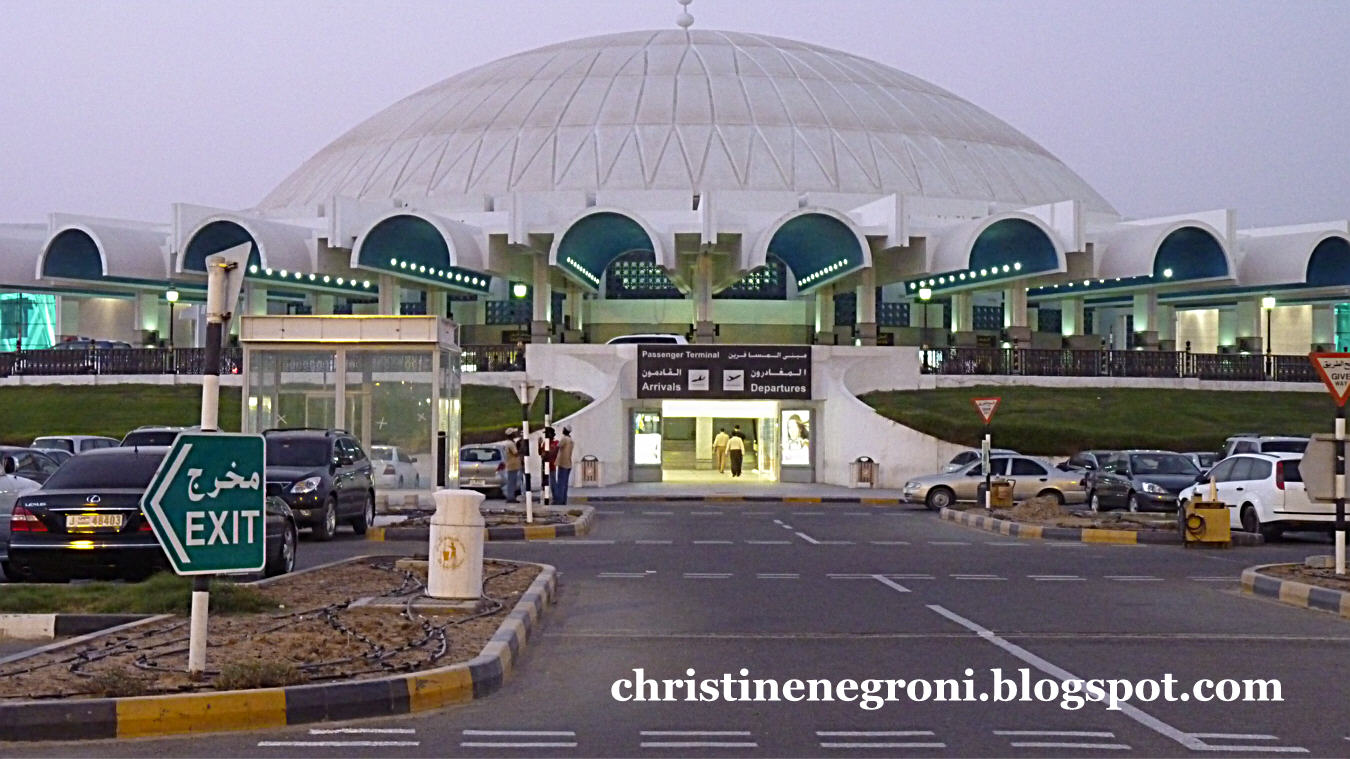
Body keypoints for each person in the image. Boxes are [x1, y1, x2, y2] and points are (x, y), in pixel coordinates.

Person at [554, 426, 575, 505]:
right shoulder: (571, 440)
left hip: (563, 463)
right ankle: (563, 500)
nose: (562, 430)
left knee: (560, 483)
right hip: (568, 463)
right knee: (565, 484)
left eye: (563, 429)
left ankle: (559, 500)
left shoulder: (564, 439)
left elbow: (557, 447)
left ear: (565, 430)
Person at [538, 426, 559, 503]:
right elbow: (541, 453)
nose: (545, 436)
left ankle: (556, 498)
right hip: (544, 466)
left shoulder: (555, 443)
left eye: (547, 434)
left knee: (553, 483)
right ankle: (545, 498)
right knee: (545, 483)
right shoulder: (545, 443)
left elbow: (552, 453)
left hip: (551, 465)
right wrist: (539, 444)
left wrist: (546, 454)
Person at [503, 427, 523, 503]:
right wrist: (521, 450)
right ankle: (510, 497)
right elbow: (515, 453)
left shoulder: (509, 443)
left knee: (512, 482)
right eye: (514, 433)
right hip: (512, 465)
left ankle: (511, 496)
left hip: (512, 465)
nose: (515, 434)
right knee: (512, 482)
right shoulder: (510, 444)